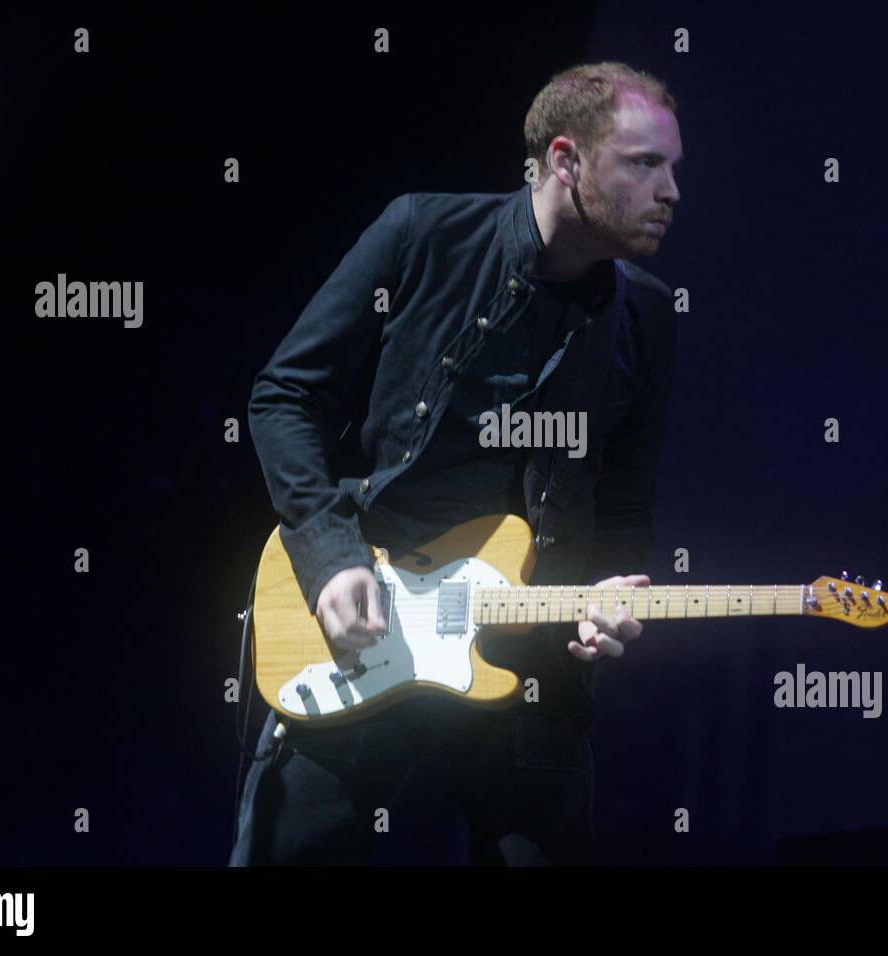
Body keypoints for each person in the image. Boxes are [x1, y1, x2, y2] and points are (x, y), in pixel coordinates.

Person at [230, 61, 683, 866]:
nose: (671, 190)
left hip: (532, 650)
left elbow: (625, 499)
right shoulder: (421, 234)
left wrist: (606, 587)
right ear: (566, 159)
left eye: (673, 167)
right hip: (367, 626)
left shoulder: (645, 314)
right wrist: (331, 559)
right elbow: (283, 397)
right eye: (645, 163)